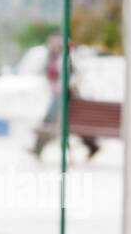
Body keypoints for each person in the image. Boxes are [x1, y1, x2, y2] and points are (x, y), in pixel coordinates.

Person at [31, 31, 100, 159]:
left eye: (56, 40)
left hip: (66, 94)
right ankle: (92, 145)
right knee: (67, 122)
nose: (54, 43)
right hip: (57, 93)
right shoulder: (50, 56)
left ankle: (37, 148)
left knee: (49, 120)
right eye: (51, 40)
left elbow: (76, 75)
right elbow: (46, 73)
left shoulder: (68, 55)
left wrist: (65, 85)